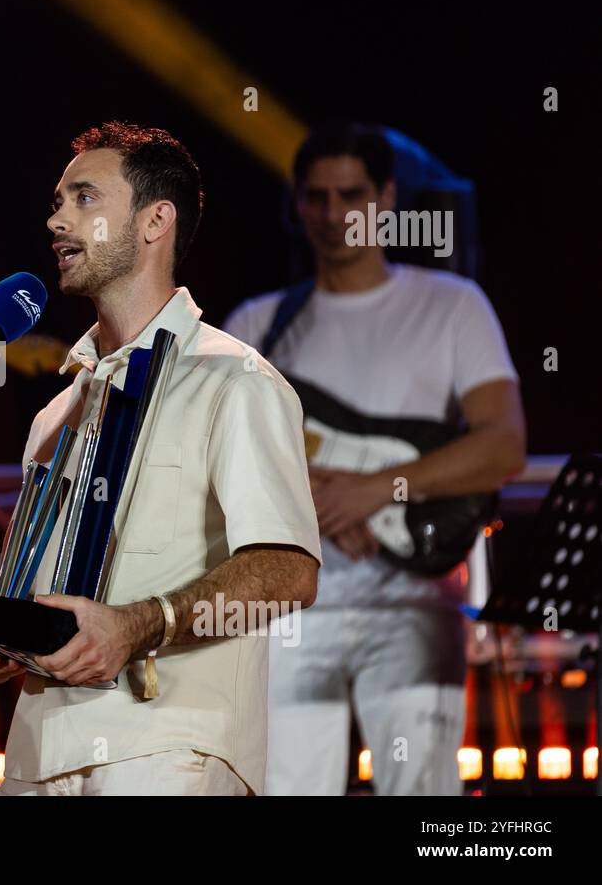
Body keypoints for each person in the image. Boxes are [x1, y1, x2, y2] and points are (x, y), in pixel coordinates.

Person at [0, 121, 321, 795]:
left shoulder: (234, 380)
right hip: (36, 753)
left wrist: (137, 626)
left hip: (168, 746)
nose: (56, 218)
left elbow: (288, 572)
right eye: (58, 201)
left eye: (84, 198)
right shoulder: (55, 412)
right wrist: (5, 631)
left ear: (156, 221)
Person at [222, 122, 526, 795]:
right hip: (292, 607)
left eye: (351, 195)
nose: (334, 216)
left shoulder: (452, 306)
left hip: (415, 603)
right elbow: (220, 455)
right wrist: (315, 505)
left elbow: (503, 444)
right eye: (317, 198)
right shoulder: (256, 324)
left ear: (387, 197)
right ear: (297, 205)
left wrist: (373, 491)